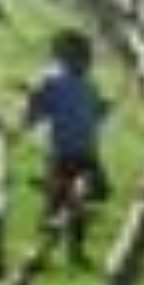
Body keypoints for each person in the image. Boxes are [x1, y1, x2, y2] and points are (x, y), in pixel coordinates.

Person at [22, 27, 111, 265]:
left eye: (89, 56)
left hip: (87, 150)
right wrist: (32, 99)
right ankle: (41, 253)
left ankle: (75, 249)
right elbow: (32, 117)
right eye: (83, 56)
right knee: (57, 205)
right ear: (64, 56)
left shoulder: (88, 83)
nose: (89, 61)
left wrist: (102, 109)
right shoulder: (50, 81)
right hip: (60, 153)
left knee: (92, 195)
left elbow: (94, 114)